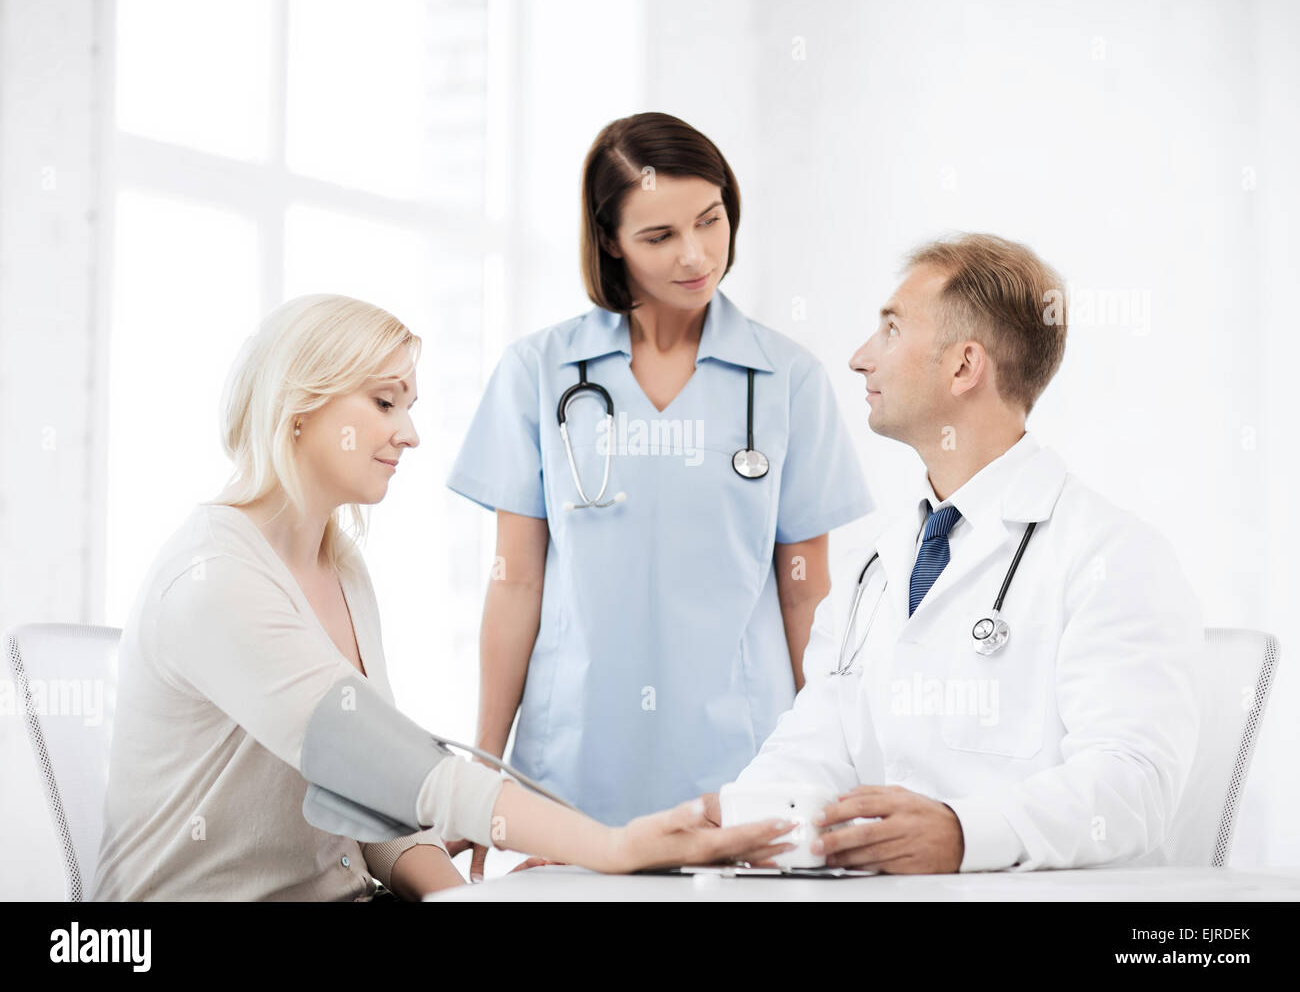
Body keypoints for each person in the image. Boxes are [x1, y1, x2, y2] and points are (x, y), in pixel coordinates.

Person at [92, 294, 795, 901]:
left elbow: (371, 806)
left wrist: (462, 899)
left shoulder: (340, 564)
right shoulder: (216, 579)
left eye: (409, 404)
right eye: (383, 401)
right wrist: (609, 845)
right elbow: (394, 769)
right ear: (299, 407)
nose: (410, 432)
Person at [705, 233, 1202, 873]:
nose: (859, 359)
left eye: (890, 330)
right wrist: (722, 825)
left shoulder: (1110, 554)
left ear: (964, 366)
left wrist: (965, 834)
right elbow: (811, 748)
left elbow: (1133, 782)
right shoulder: (871, 568)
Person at [446, 112, 873, 852]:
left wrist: (835, 768)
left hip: (745, 765)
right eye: (659, 237)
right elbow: (515, 582)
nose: (696, 255)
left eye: (711, 221)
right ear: (609, 240)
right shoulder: (540, 373)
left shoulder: (789, 380)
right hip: (575, 763)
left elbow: (806, 590)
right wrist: (483, 777)